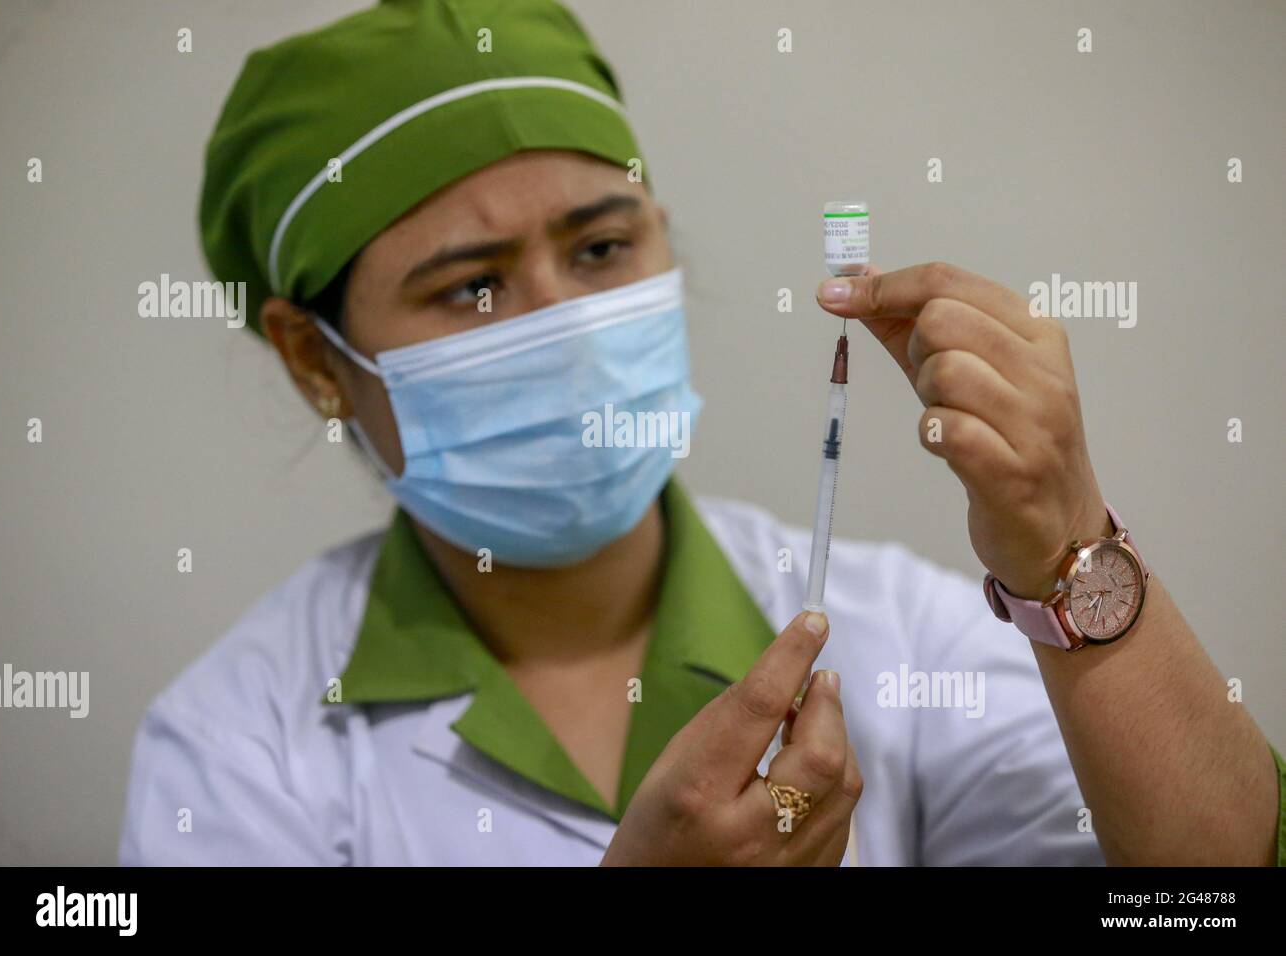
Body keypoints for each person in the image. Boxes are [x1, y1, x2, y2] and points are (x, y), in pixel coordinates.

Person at [119, 0, 1283, 866]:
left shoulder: (902, 635)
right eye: (472, 287)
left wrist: (1071, 550)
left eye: (600, 248)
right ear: (315, 357)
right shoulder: (239, 746)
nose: (567, 327)